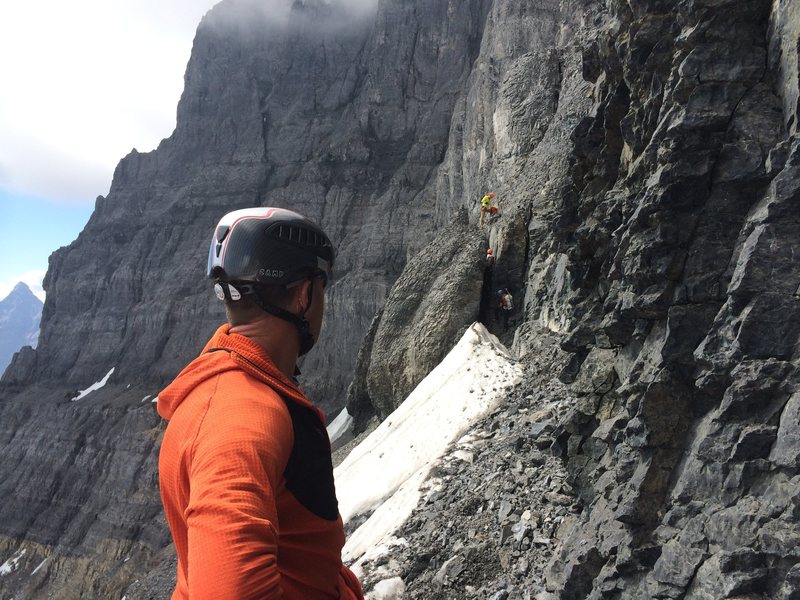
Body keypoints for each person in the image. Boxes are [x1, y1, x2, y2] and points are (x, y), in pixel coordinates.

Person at [157, 207, 364, 600]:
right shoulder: (242, 418)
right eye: (321, 289)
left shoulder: (225, 384)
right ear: (304, 295)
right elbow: (227, 590)